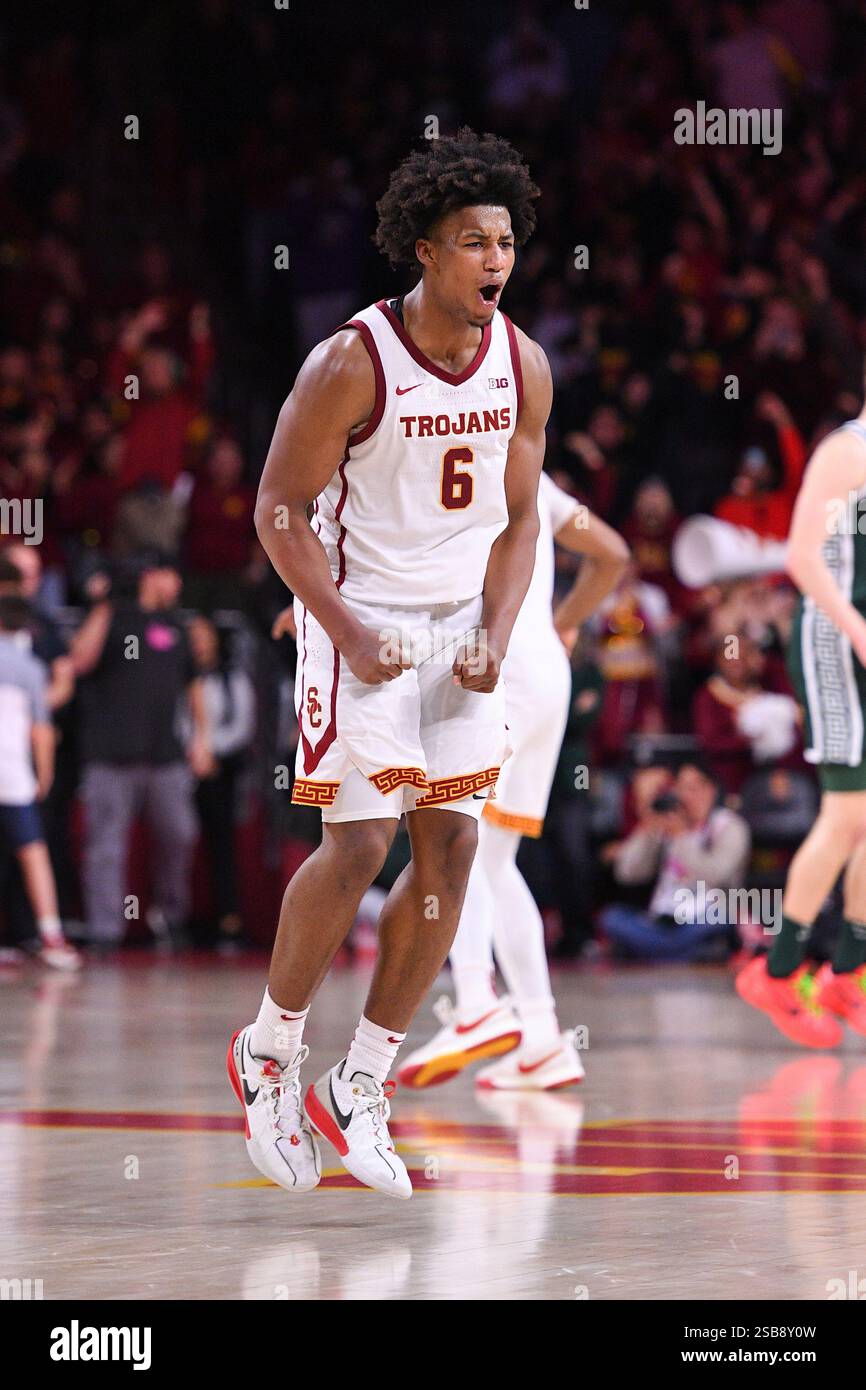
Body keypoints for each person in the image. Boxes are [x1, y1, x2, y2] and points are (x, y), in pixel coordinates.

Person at [228, 129, 548, 1200]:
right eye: (472, 242)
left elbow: (519, 522)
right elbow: (276, 511)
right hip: (357, 614)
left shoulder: (523, 365)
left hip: (458, 626)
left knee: (451, 847)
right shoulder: (348, 363)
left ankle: (360, 1081)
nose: (495, 261)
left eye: (504, 241)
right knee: (361, 841)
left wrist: (498, 630)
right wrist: (339, 622)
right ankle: (269, 1049)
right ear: (424, 249)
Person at [397, 477, 628, 1090]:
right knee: (494, 861)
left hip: (496, 666)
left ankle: (474, 1001)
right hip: (546, 669)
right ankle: (543, 1039)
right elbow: (614, 554)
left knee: (453, 842)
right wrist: (566, 624)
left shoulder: (454, 443)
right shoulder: (535, 471)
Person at [737, 393, 866, 1045]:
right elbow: (801, 557)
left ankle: (850, 966)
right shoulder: (848, 451)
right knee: (847, 815)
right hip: (834, 643)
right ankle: (779, 969)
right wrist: (858, 631)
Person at [70, 558, 213, 947]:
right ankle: (105, 931)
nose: (177, 582)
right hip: (109, 754)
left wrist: (202, 738)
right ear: (151, 576)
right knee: (106, 847)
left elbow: (194, 686)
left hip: (165, 756)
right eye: (171, 572)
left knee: (181, 834)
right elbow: (79, 660)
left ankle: (170, 919)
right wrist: (104, 605)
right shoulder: (111, 617)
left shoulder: (177, 627)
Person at [600, 762, 751, 962]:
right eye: (681, 788)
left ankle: (657, 952)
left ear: (711, 790)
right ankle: (681, 953)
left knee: (721, 918)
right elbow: (627, 873)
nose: (687, 797)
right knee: (612, 918)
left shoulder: (728, 826)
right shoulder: (666, 826)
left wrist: (682, 838)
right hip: (663, 920)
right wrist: (648, 825)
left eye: (693, 788)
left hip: (705, 916)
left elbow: (718, 874)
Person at [0, 595, 80, 969]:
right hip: (14, 776)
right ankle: (51, 936)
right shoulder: (30, 668)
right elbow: (42, 731)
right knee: (33, 854)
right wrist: (44, 775)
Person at [185, 615, 255, 947]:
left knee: (221, 845)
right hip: (182, 766)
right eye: (192, 637)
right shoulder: (177, 675)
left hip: (221, 770)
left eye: (204, 635)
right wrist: (193, 751)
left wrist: (210, 750)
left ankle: (229, 920)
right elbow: (173, 717)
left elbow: (242, 725)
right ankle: (178, 920)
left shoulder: (232, 678)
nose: (198, 643)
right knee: (181, 839)